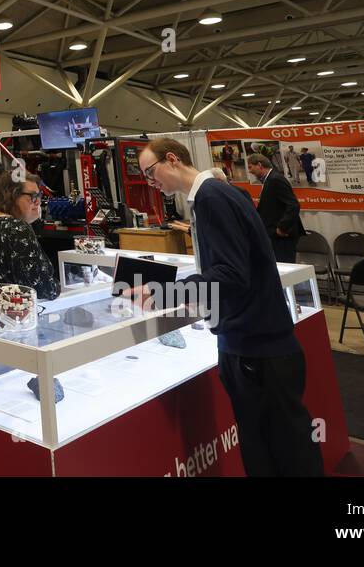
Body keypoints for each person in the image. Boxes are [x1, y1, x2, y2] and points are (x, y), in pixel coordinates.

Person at [137, 138, 322, 476]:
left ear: (173, 159)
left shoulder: (211, 198)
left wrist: (165, 293)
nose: (151, 183)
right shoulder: (219, 193)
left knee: (278, 451)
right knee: (280, 445)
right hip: (258, 342)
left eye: (151, 173)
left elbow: (231, 275)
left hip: (256, 349)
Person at [0, 171, 60, 303]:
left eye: (39, 195)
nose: (38, 201)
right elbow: (43, 287)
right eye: (32, 196)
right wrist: (58, 287)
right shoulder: (17, 229)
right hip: (15, 315)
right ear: (11, 195)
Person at [247, 153, 303, 264]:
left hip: (282, 237)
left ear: (259, 165)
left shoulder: (275, 179)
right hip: (275, 236)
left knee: (285, 272)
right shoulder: (269, 180)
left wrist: (282, 228)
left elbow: (293, 205)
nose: (249, 171)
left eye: (250, 167)